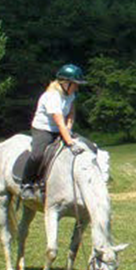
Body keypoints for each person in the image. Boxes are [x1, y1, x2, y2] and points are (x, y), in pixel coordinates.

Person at [20, 64, 88, 202]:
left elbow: (71, 114)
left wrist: (69, 128)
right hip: (44, 129)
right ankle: (26, 184)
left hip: (61, 129)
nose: (77, 87)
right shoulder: (52, 96)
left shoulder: (71, 94)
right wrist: (69, 141)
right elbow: (58, 121)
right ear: (65, 83)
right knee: (38, 155)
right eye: (75, 84)